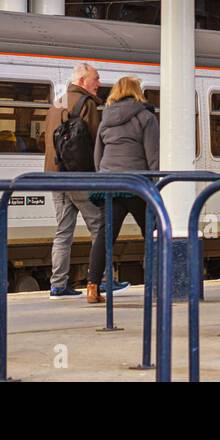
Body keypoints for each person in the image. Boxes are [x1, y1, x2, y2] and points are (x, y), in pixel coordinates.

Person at [86, 75, 160, 304]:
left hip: (110, 184)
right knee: (153, 233)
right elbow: (153, 156)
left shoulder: (105, 119)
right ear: (137, 91)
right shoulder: (146, 117)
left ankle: (92, 286)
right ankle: (156, 284)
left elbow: (97, 157)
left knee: (105, 236)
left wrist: (106, 176)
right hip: (137, 184)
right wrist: (157, 185)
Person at [43, 62, 104, 298]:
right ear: (82, 80)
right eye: (96, 79)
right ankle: (101, 280)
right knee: (100, 226)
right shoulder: (86, 103)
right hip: (78, 176)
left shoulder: (57, 102)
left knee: (63, 231)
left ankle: (58, 285)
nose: (98, 84)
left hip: (54, 176)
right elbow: (95, 143)